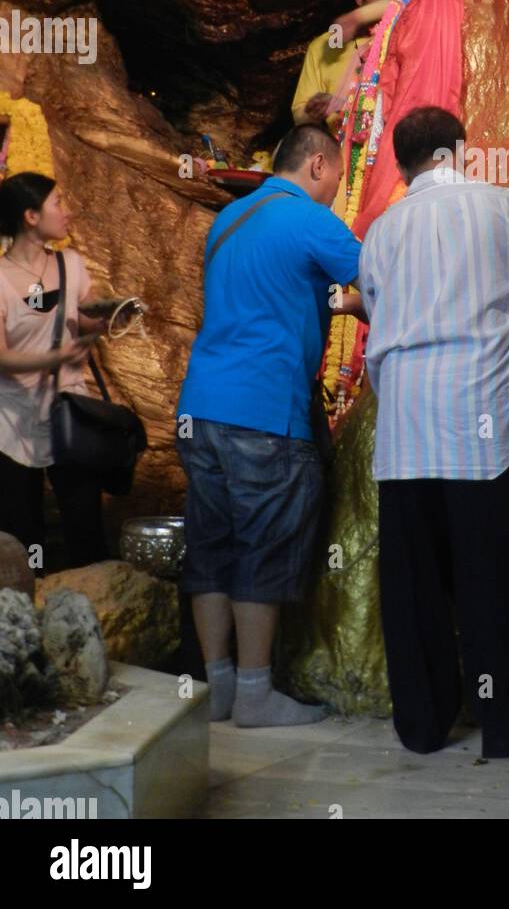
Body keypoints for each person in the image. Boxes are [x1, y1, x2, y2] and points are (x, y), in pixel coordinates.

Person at [358, 105, 509, 758]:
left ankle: (423, 727)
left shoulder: (380, 231)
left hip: (403, 432)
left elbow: (376, 306)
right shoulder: (500, 207)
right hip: (484, 425)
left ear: (401, 165)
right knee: (494, 579)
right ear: (458, 151)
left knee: (413, 585)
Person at [177, 124, 364, 727]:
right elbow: (379, 280)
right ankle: (257, 695)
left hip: (200, 408)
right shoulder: (307, 218)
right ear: (316, 165)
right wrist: (356, 303)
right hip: (263, 411)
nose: (335, 191)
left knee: (210, 546)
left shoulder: (227, 221)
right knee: (262, 545)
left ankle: (221, 688)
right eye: (335, 177)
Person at [0, 173, 109, 568]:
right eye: (58, 203)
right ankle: (31, 611)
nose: (67, 211)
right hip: (12, 423)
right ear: (30, 216)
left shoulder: (71, 264)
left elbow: (84, 317)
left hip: (69, 414)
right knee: (24, 538)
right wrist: (55, 358)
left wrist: (105, 317)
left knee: (86, 528)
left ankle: (95, 609)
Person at [292, 0, 401, 128]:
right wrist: (314, 110)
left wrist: (342, 105)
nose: (388, 9)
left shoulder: (402, 42)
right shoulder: (325, 46)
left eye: (396, 1)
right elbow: (300, 116)